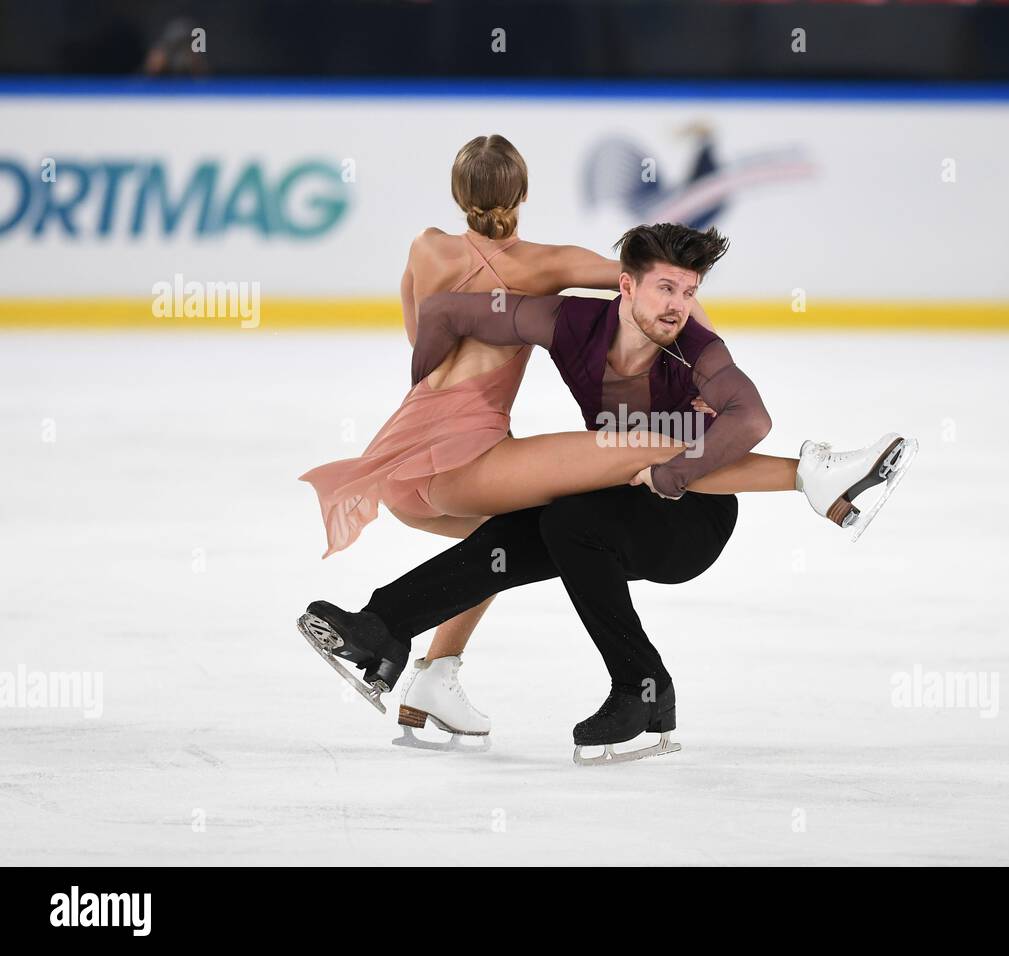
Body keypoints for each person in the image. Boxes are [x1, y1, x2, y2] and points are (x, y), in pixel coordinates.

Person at [297, 223, 917, 760]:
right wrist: (425, 398)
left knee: (569, 524)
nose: (680, 305)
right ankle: (382, 628)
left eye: (690, 292)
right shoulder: (571, 322)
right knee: (518, 531)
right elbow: (444, 315)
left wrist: (674, 476)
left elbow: (751, 420)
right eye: (666, 288)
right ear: (626, 287)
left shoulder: (698, 352)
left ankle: (641, 688)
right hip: (619, 498)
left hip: (691, 520)